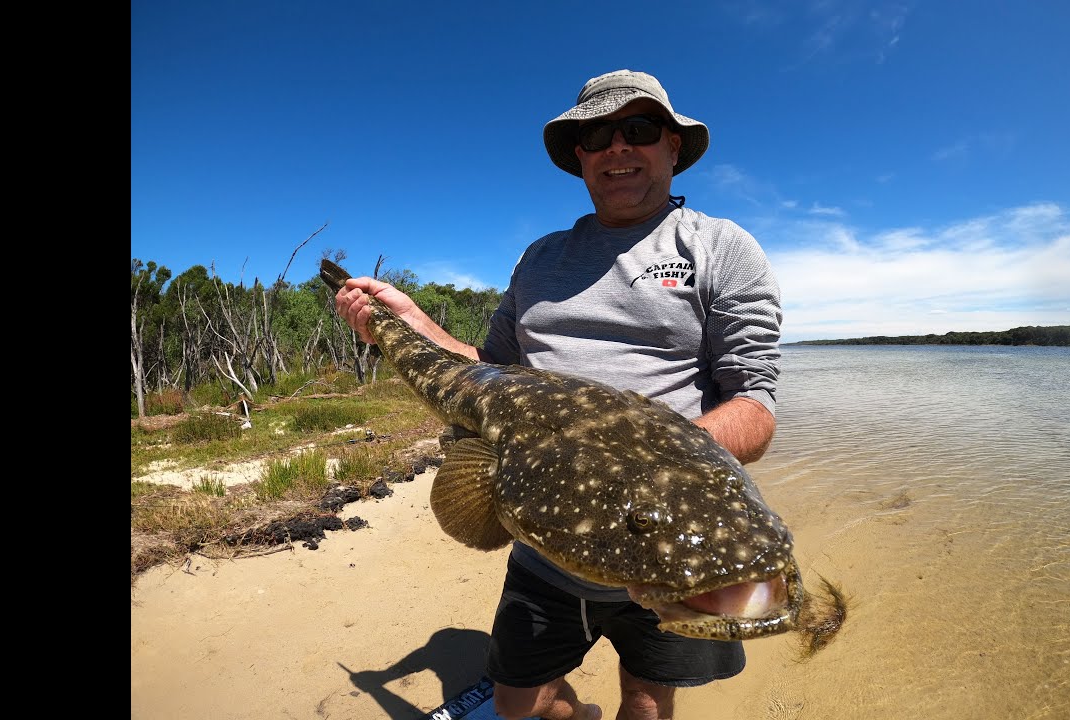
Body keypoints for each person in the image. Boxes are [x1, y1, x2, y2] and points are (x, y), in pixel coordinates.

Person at [334, 69, 782, 720]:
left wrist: (650, 462)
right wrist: (408, 321)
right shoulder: (542, 258)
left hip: (666, 544)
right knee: (523, 702)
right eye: (598, 134)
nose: (618, 147)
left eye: (639, 128)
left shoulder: (721, 248)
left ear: (673, 147)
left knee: (649, 703)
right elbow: (489, 373)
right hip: (542, 543)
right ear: (579, 154)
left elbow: (755, 406)